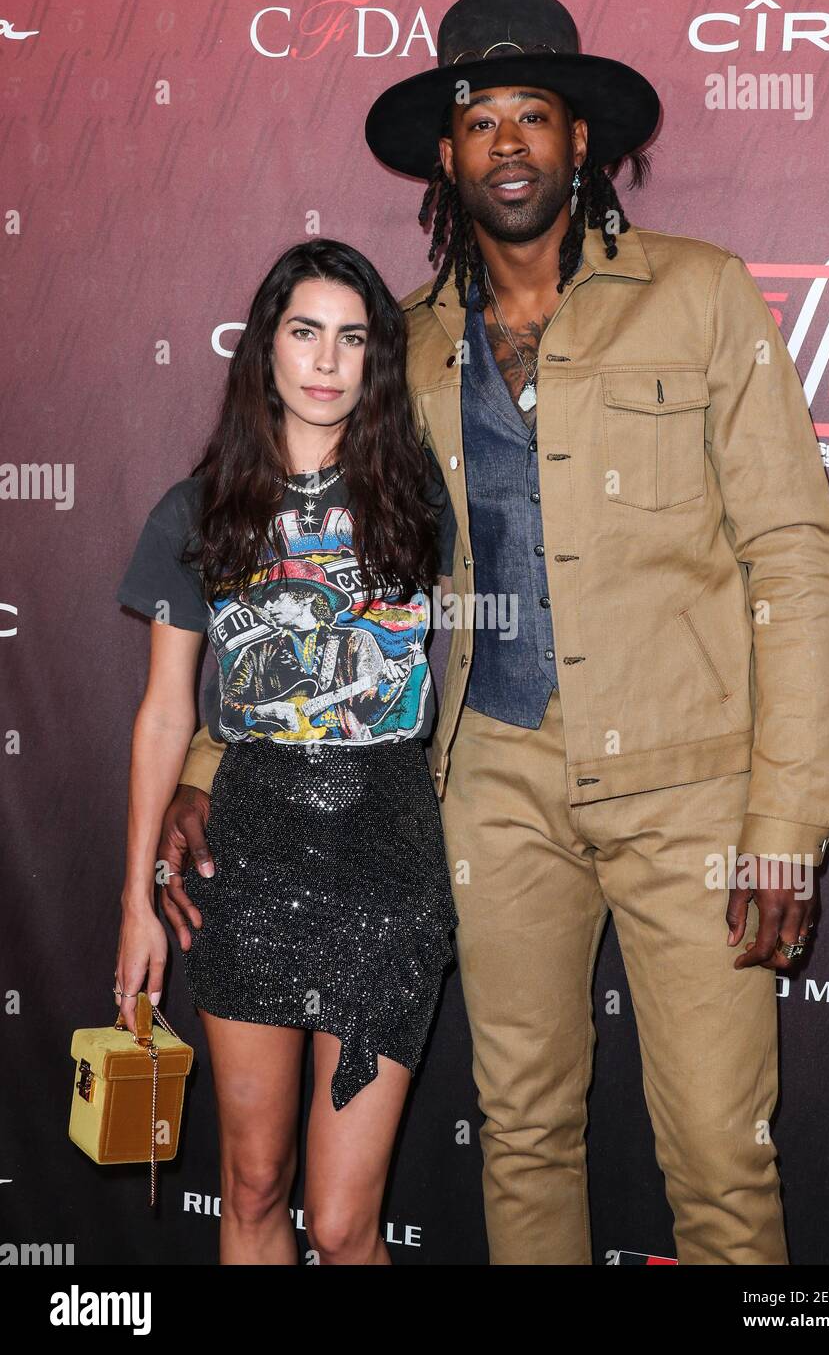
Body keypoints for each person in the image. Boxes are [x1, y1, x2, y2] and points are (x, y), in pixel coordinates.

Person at [160, 0, 829, 1265]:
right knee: (523, 1134)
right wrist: (208, 763)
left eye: (538, 116)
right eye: (483, 122)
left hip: (690, 791)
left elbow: (793, 556)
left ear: (581, 142)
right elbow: (314, 577)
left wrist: (786, 823)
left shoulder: (699, 295)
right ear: (447, 155)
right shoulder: (404, 349)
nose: (512, 143)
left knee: (716, 1156)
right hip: (488, 790)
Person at [114, 238, 459, 1265]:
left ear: (376, 361)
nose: (326, 360)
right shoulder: (197, 509)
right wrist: (137, 897)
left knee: (347, 1222)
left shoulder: (418, 498)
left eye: (352, 339)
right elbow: (165, 715)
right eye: (305, 332)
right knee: (253, 1183)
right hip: (251, 857)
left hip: (388, 859)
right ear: (264, 347)